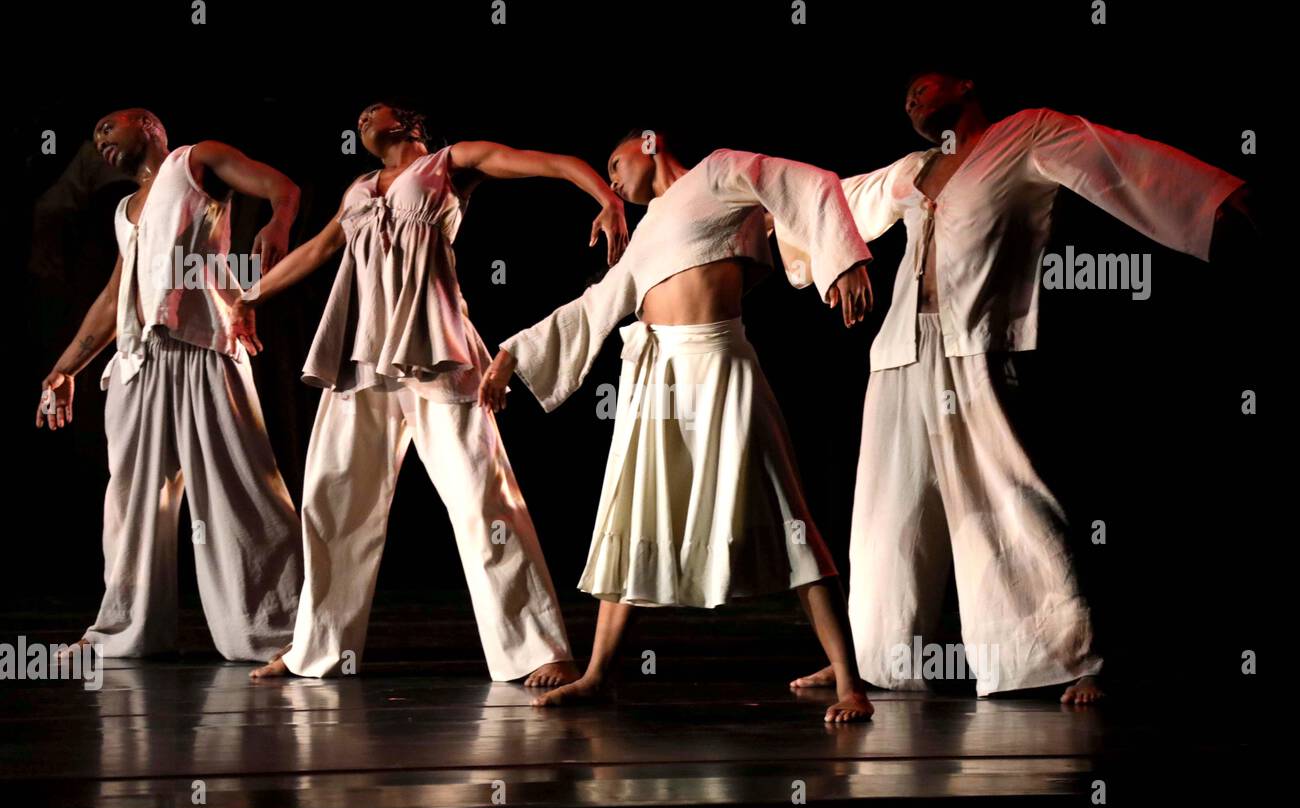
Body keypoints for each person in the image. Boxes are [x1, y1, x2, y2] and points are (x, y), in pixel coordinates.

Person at [781, 70, 1252, 703]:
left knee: (1003, 491)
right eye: (905, 95)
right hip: (899, 350)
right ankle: (871, 660)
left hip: (974, 342)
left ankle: (1066, 655)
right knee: (884, 511)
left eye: (924, 86)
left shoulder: (1025, 133)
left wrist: (1212, 198)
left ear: (966, 86)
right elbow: (835, 201)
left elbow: (1116, 159)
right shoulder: (914, 169)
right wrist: (826, 253)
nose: (910, 98)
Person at [479, 130, 876, 722]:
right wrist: (512, 354)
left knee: (789, 516)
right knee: (634, 513)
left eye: (614, 165)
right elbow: (596, 305)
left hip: (719, 363)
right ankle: (598, 676)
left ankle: (850, 683)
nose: (611, 181)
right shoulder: (646, 231)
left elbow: (808, 184)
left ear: (649, 143)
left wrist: (843, 261)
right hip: (655, 382)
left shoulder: (717, 174)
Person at [248, 103, 629, 687]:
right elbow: (320, 250)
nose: (360, 118)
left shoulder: (447, 165)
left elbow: (547, 162)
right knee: (332, 500)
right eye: (356, 116)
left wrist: (605, 196)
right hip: (359, 361)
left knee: (482, 498)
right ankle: (313, 650)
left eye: (373, 110)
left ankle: (537, 648)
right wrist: (249, 299)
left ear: (410, 124)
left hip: (436, 351)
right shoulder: (356, 190)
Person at [37, 108, 303, 661]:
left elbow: (282, 186)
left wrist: (277, 222)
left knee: (241, 492)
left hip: (202, 348)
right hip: (139, 364)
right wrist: (65, 367)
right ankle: (123, 634)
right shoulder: (123, 211)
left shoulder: (195, 161)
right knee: (131, 501)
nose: (100, 141)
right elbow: (115, 299)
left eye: (109, 127)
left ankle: (281, 632)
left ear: (149, 125)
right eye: (93, 138)